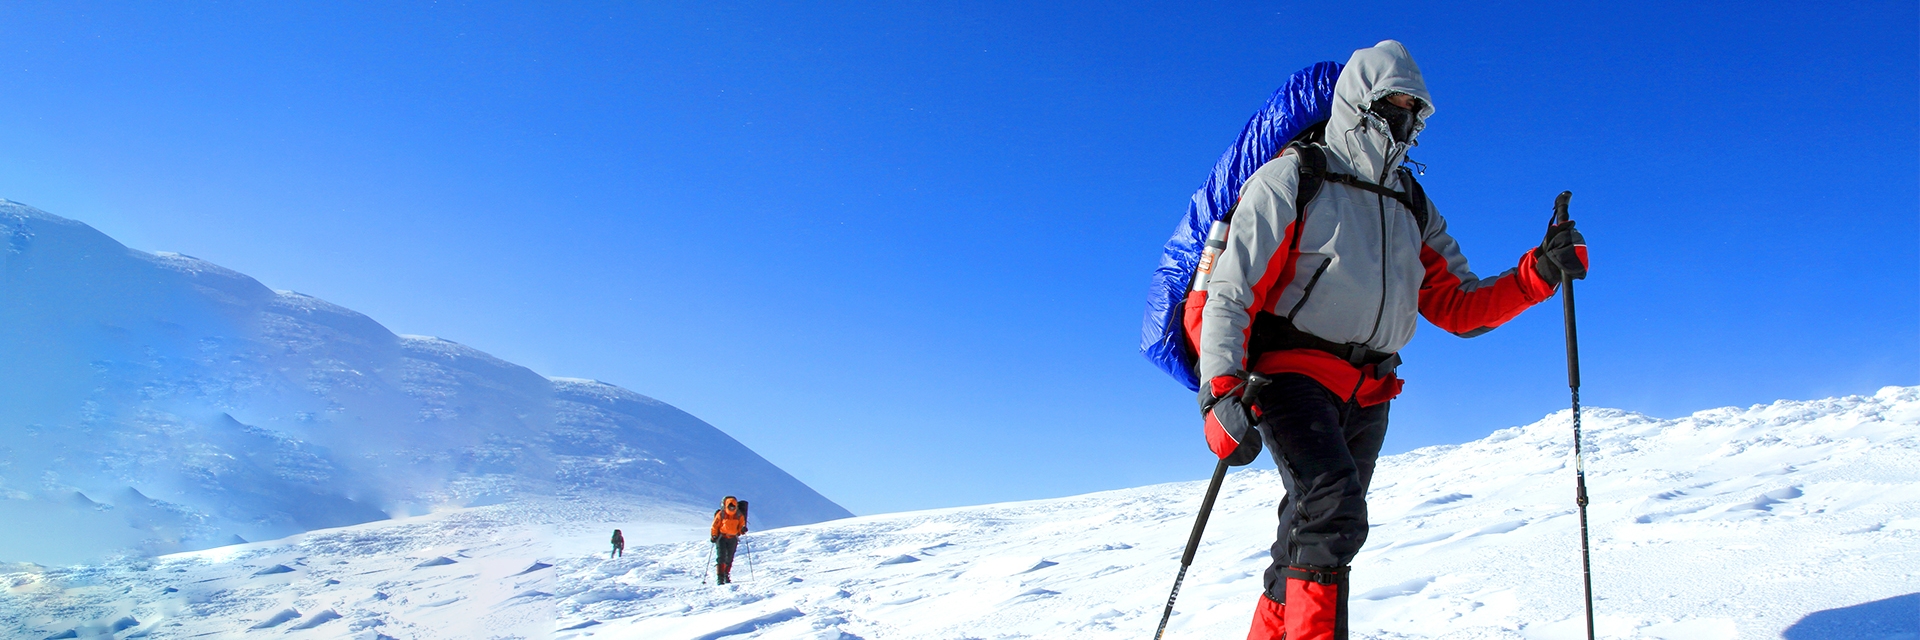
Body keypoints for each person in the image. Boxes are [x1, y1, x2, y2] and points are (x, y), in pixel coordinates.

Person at [1194, 41, 1587, 640]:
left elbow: (1458, 306)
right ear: (1360, 102)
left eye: (1413, 107)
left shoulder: (1411, 203)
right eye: (1392, 103)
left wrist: (1540, 272)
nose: (1403, 117)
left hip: (1371, 391)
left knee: (1309, 536)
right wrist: (1219, 390)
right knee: (1332, 516)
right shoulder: (1297, 176)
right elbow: (1232, 290)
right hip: (1292, 376)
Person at [709, 496, 748, 584]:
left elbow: (741, 526)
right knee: (721, 557)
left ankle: (725, 575)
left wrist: (742, 530)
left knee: (729, 558)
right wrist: (714, 535)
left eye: (733, 506)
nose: (732, 508)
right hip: (722, 538)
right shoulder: (725, 514)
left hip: (732, 538)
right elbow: (715, 526)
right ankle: (721, 577)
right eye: (730, 506)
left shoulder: (737, 515)